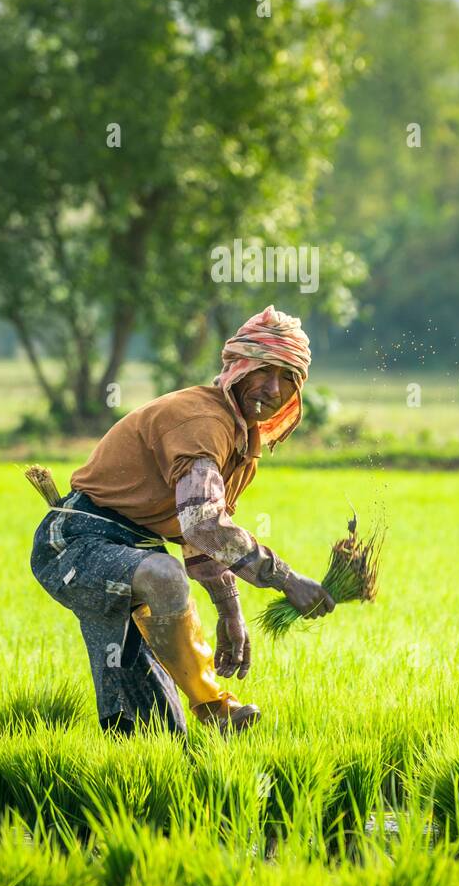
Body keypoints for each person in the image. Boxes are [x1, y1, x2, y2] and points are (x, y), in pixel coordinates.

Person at [30, 305, 335, 737]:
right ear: (237, 369)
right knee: (164, 574)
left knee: (152, 726)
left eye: (288, 378)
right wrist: (285, 579)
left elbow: (198, 539)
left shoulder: (240, 441)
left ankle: (160, 750)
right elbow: (204, 525)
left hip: (131, 554)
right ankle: (213, 707)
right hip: (76, 544)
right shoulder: (204, 422)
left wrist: (230, 612)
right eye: (264, 370)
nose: (272, 387)